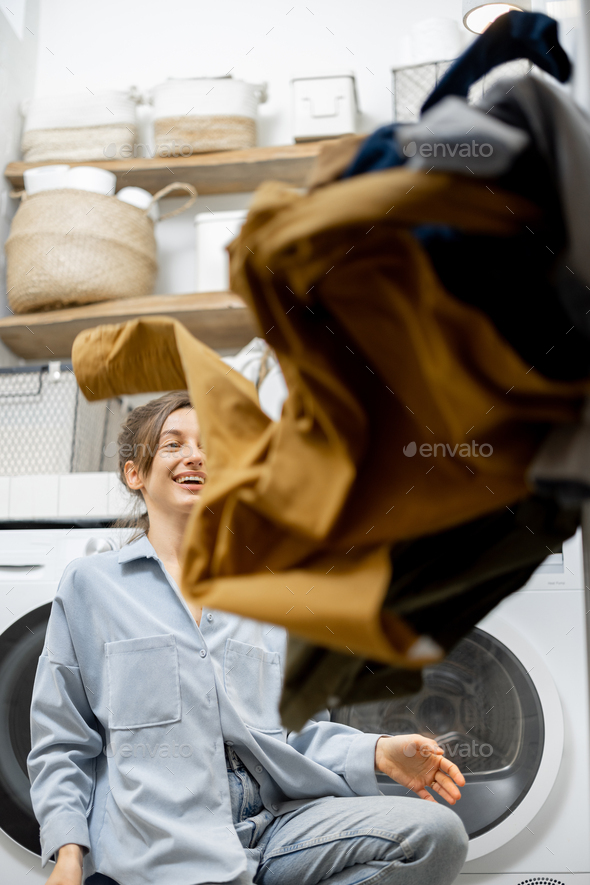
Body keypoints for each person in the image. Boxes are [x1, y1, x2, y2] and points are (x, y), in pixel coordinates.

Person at [28, 391, 469, 885]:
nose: (196, 457)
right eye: (173, 445)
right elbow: (62, 740)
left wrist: (377, 752)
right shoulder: (92, 586)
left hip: (279, 824)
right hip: (160, 842)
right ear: (136, 474)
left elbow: (295, 732)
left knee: (436, 834)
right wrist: (69, 854)